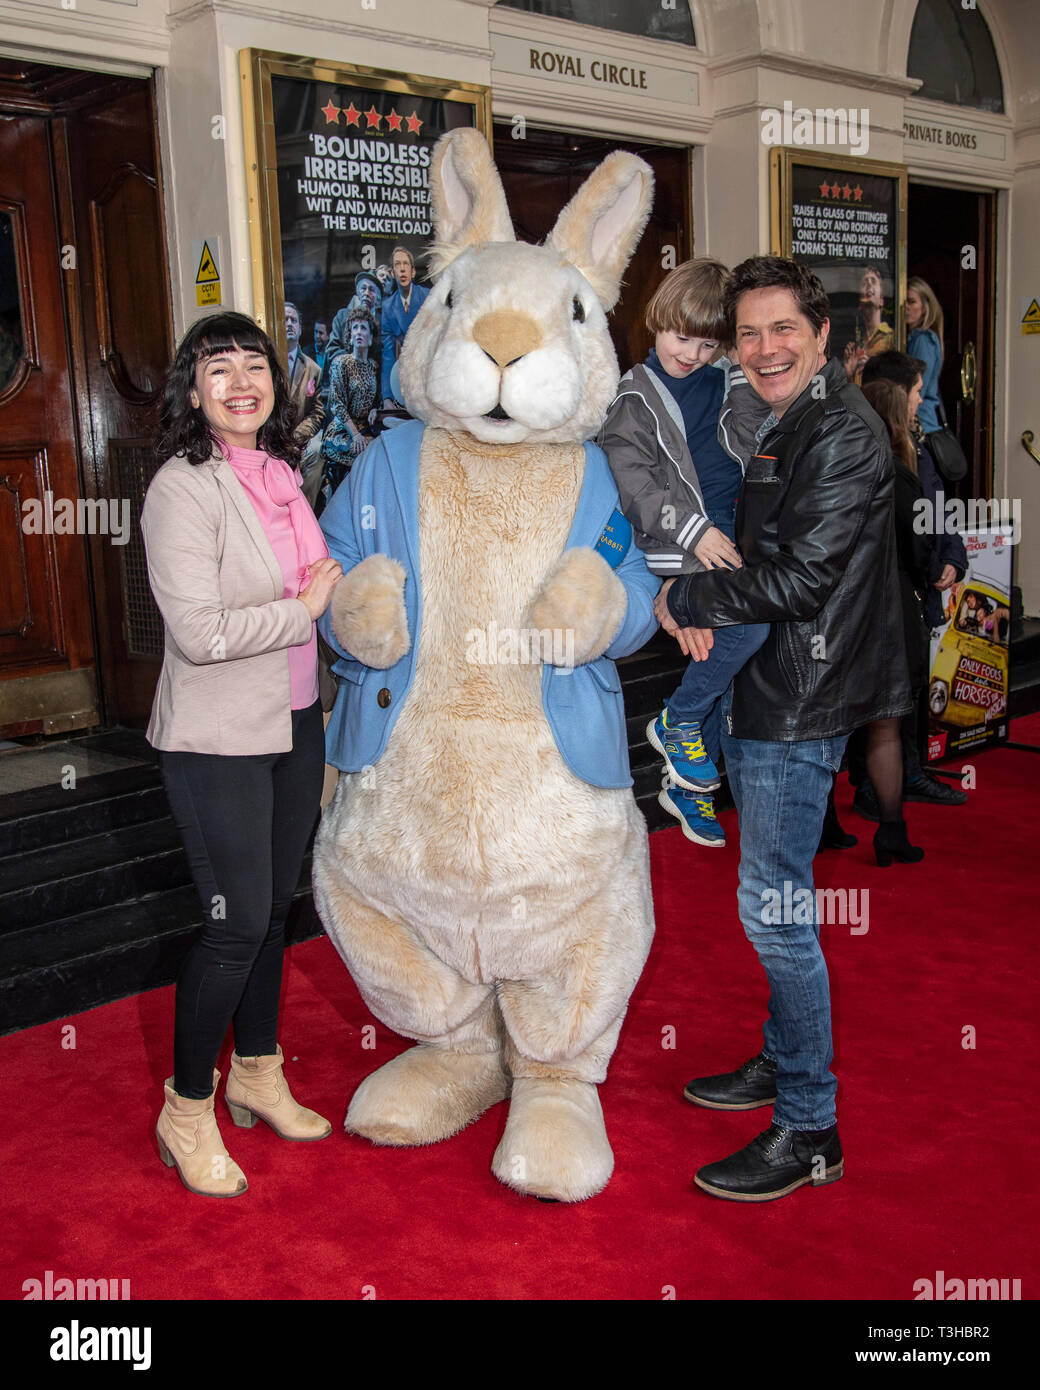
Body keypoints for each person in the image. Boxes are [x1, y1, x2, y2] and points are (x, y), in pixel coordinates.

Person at [658, 255, 910, 1202]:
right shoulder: (789, 418)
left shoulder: (838, 432)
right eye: (748, 334)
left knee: (777, 913)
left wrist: (684, 590)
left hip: (799, 700)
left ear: (823, 338)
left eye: (782, 332)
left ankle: (810, 1128)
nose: (763, 350)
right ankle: (779, 1060)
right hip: (773, 683)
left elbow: (800, 579)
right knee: (776, 901)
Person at [142, 311, 341, 1199]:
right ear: (194, 390)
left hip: (295, 722)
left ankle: (257, 1073)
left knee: (272, 914)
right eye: (217, 368)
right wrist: (301, 613)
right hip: (216, 739)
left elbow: (320, 582)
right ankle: (188, 1107)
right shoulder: (181, 490)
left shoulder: (280, 473)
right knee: (233, 922)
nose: (239, 381)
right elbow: (197, 633)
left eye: (252, 363)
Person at [599, 258, 768, 847]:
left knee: (729, 658)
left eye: (707, 343)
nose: (691, 353)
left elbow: (760, 448)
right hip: (681, 547)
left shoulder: (730, 381)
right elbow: (637, 488)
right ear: (656, 321)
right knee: (747, 633)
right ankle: (678, 720)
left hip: (736, 540)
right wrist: (695, 534)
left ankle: (689, 785)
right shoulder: (632, 397)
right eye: (681, 336)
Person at [858, 349, 968, 810]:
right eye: (917, 391)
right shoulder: (868, 450)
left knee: (912, 690)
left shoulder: (919, 445)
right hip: (890, 594)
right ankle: (877, 787)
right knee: (887, 697)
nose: (922, 400)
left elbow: (940, 515)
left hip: (921, 593)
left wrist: (954, 559)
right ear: (895, 393)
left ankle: (911, 773)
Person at [321, 306, 379, 491]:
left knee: (383, 450)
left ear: (370, 337)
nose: (359, 332)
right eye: (355, 328)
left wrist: (374, 410)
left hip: (364, 432)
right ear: (349, 335)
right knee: (369, 454)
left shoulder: (371, 367)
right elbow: (336, 404)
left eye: (363, 328)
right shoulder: (341, 363)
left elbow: (373, 400)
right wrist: (355, 435)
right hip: (341, 432)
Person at [381, 246, 429, 407]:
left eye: (406, 264)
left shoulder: (428, 297)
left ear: (413, 271)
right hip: (403, 378)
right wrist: (387, 397)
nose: (402, 269)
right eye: (397, 265)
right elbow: (387, 354)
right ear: (393, 273)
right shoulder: (388, 307)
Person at [906, 276, 944, 435]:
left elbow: (918, 386)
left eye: (911, 302)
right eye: (904, 302)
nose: (906, 307)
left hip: (922, 424)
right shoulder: (914, 338)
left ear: (925, 307)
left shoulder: (923, 340)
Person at [843, 265, 893, 383]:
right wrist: (849, 373)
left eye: (873, 281)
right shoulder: (857, 345)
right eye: (865, 282)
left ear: (881, 300)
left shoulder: (891, 337)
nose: (869, 284)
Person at [283, 301, 324, 445]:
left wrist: (297, 436)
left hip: (300, 440)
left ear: (300, 329)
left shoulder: (313, 369)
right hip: (272, 440)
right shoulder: (266, 364)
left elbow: (317, 413)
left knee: (317, 450)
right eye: (284, 319)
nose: (289, 324)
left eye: (293, 320)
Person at [327, 272, 383, 374]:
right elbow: (332, 349)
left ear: (378, 297)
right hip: (345, 378)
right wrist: (353, 361)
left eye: (371, 290)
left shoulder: (383, 322)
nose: (366, 293)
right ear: (358, 293)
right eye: (363, 288)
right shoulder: (342, 317)